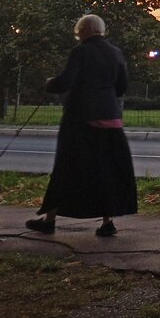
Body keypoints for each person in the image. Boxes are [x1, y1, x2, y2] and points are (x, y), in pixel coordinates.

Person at [25, 14, 137, 237]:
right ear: (101, 30)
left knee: (66, 168)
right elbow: (122, 86)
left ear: (82, 31)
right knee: (106, 171)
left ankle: (49, 220)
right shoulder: (115, 52)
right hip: (111, 120)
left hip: (81, 121)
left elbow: (66, 82)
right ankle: (107, 223)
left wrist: (50, 84)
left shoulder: (81, 52)